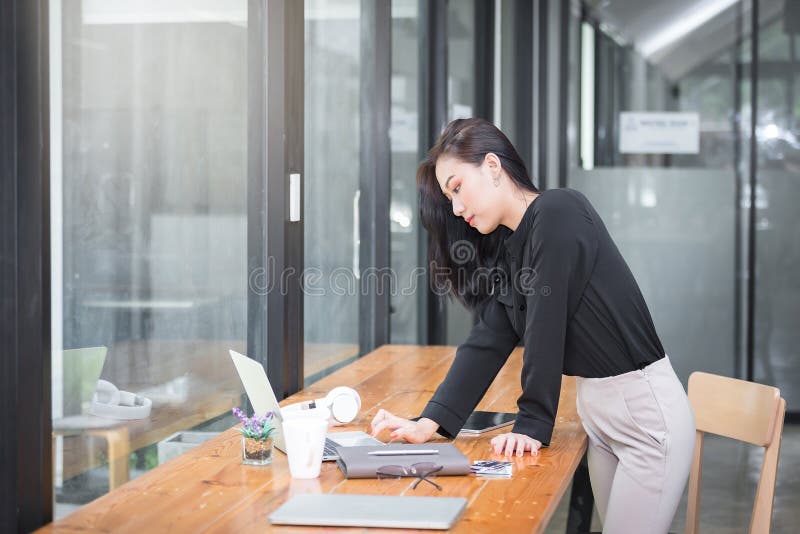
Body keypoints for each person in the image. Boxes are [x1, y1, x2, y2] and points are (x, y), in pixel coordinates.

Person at [370, 118, 696, 533]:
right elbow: (489, 336)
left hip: (645, 416)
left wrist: (532, 423)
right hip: (601, 417)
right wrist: (428, 422)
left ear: (492, 167)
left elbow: (546, 323)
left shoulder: (559, 211)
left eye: (456, 187)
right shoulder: (514, 248)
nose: (455, 207)